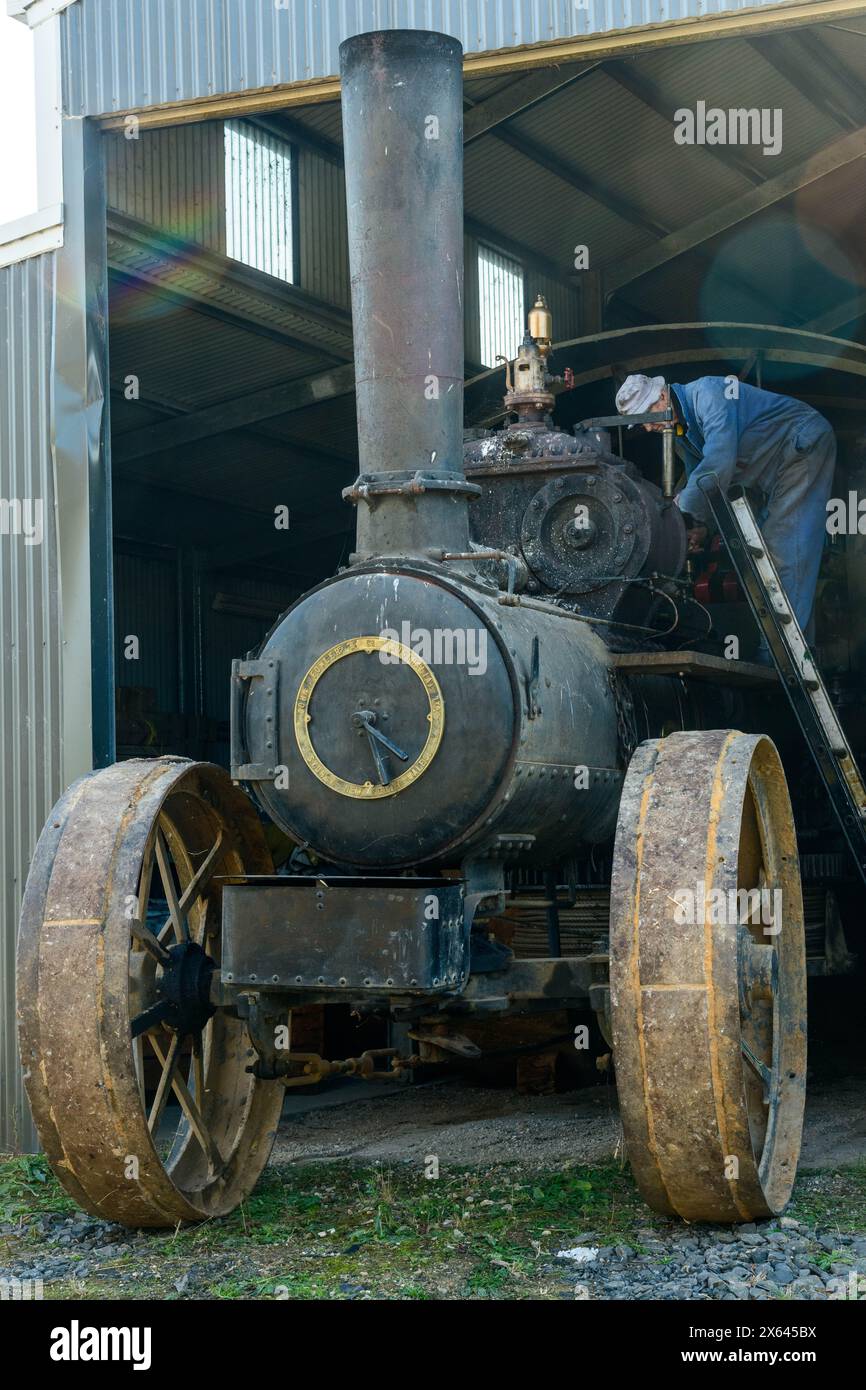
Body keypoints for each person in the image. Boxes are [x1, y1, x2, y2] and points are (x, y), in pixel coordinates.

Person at [615, 373, 836, 650]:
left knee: (784, 551)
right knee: (778, 556)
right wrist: (700, 527)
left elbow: (718, 463)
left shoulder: (709, 394)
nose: (647, 428)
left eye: (647, 416)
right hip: (773, 470)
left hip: (802, 445)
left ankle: (781, 655)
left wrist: (677, 517)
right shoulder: (683, 429)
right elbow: (700, 475)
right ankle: (798, 650)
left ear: (661, 396)